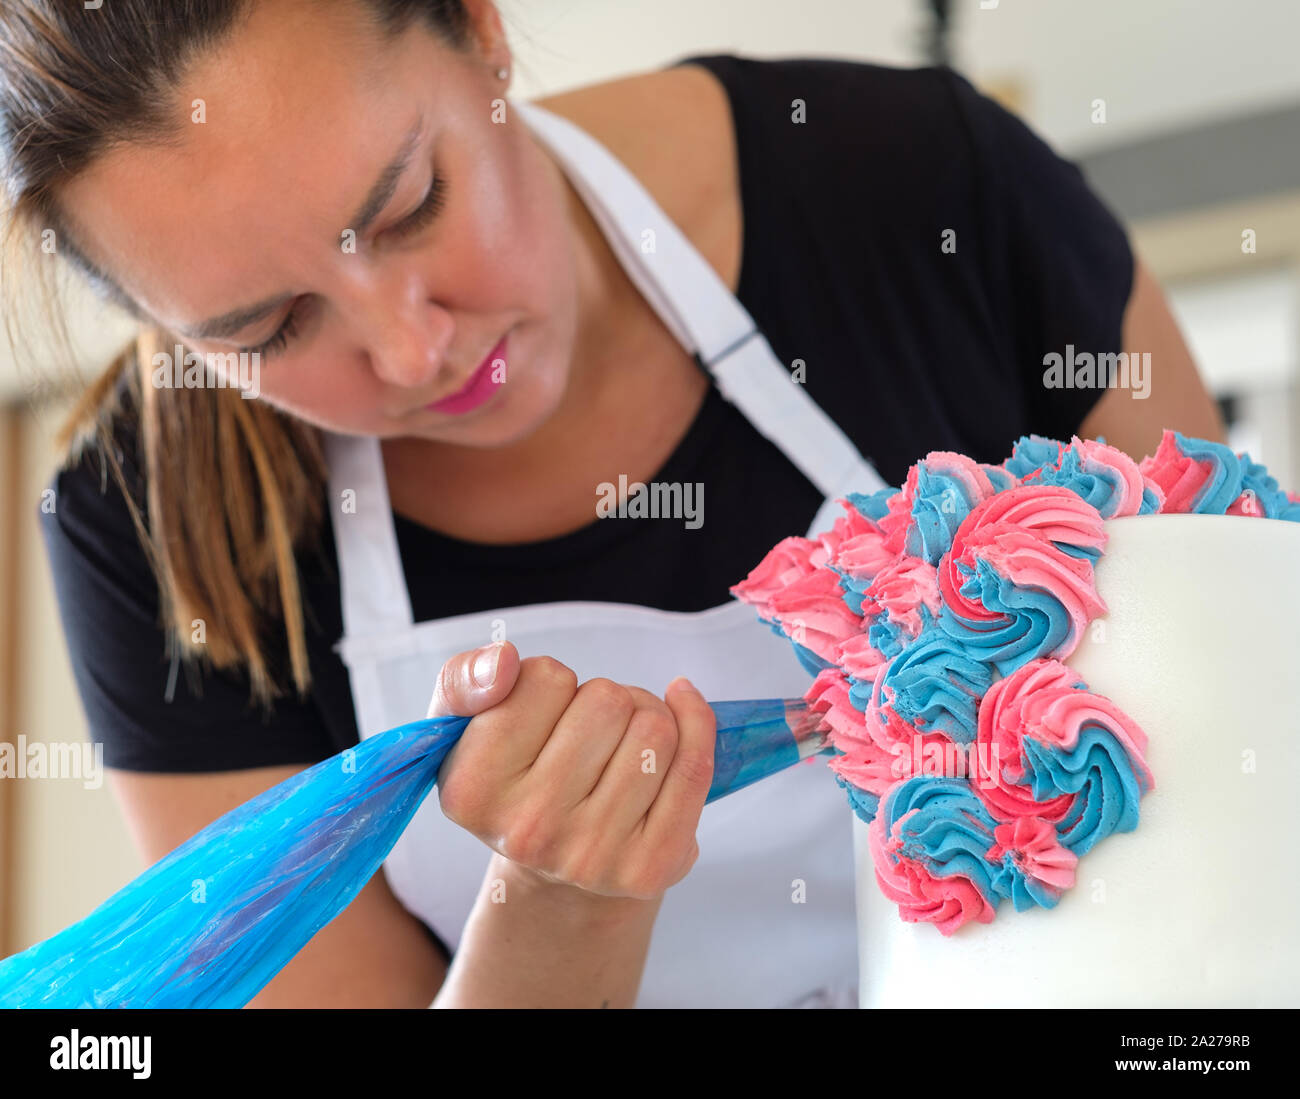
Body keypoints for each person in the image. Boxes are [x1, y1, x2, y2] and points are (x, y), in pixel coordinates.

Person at [3, 0, 1223, 1007]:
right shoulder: (148, 529)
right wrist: (556, 912)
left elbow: (1245, 705)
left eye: (412, 202)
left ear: (481, 31)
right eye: (268, 329)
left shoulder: (923, 190)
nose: (411, 348)